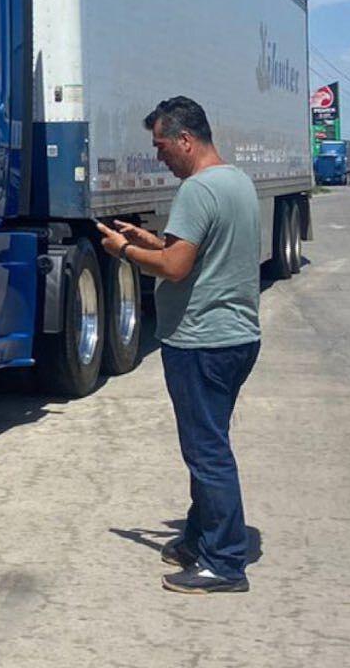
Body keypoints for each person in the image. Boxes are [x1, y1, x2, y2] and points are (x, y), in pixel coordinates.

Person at [97, 96, 261, 595]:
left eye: (162, 145)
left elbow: (175, 268)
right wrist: (147, 238)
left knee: (207, 451)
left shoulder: (196, 191)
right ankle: (198, 537)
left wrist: (123, 251)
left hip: (201, 342)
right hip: (238, 336)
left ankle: (224, 563)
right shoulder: (238, 183)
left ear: (186, 140)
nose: (159, 156)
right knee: (207, 443)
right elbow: (192, 252)